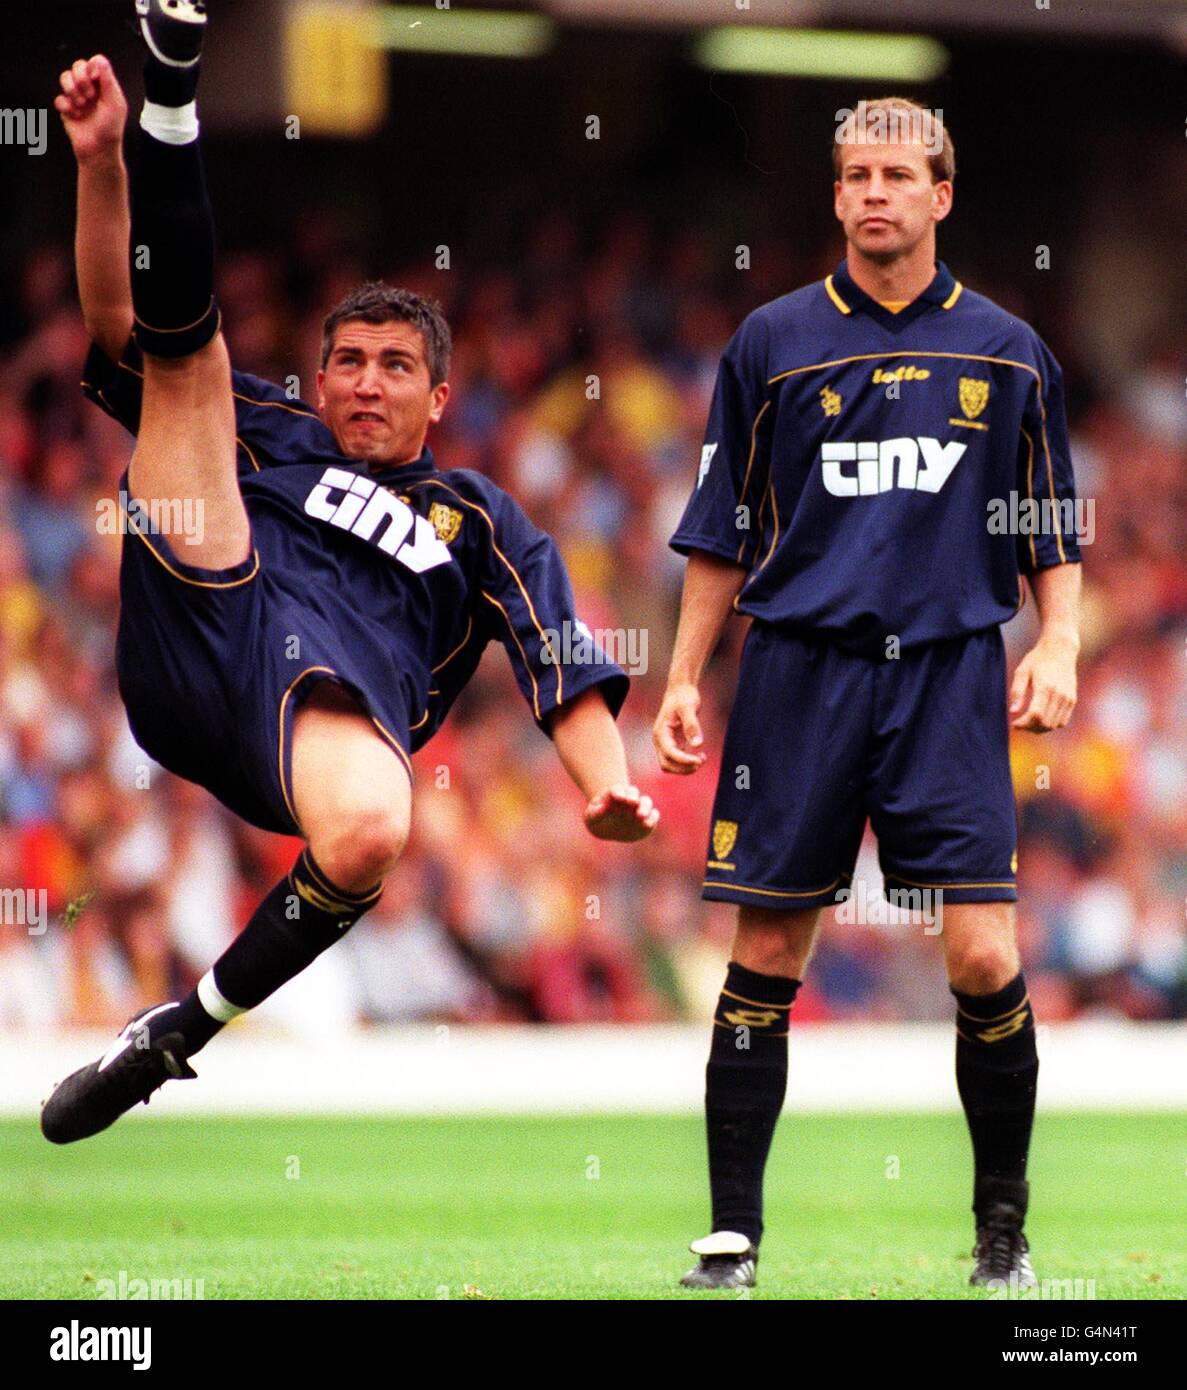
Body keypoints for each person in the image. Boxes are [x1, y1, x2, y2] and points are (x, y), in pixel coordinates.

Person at [42, 0, 657, 1145]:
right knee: (192, 360)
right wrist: (98, 168)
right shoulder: (274, 421)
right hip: (197, 613)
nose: (365, 382)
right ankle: (169, 104)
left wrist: (602, 783)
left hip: (313, 718)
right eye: (348, 362)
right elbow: (115, 317)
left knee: (375, 830)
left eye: (394, 366)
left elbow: (558, 662)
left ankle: (179, 1031)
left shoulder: (481, 519)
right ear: (321, 381)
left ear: (438, 399)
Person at [653, 97, 1081, 1290]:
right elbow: (720, 530)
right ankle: (731, 1236)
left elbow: (1046, 520)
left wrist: (1059, 643)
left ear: (940, 195)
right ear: (835, 196)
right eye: (852, 175)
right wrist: (684, 674)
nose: (871, 193)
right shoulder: (769, 343)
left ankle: (1002, 1235)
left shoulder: (1004, 349)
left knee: (984, 957)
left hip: (947, 673)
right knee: (767, 951)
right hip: (797, 671)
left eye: (895, 174)